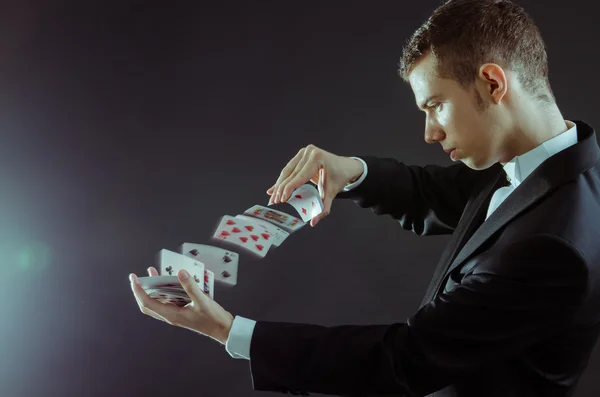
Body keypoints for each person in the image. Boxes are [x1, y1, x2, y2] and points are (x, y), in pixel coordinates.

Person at [129, 0, 600, 395]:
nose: (430, 132)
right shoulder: (545, 167)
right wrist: (353, 171)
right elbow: (435, 194)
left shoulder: (551, 247)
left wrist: (227, 330)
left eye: (435, 105)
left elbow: (404, 360)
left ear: (493, 83)